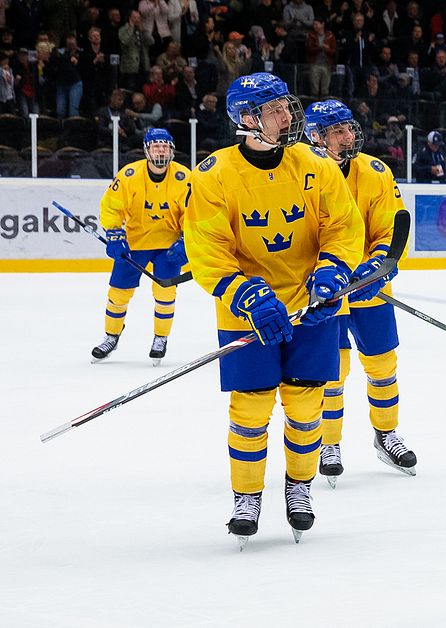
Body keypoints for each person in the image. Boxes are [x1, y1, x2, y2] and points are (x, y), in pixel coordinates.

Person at [183, 73, 364, 548]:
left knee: (306, 405)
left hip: (311, 308)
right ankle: (246, 496)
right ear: (248, 119)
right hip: (246, 311)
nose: (288, 116)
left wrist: (331, 273)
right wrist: (245, 293)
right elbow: (205, 248)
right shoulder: (213, 174)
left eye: (287, 106)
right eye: (276, 109)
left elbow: (342, 226)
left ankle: (299, 487)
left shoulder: (315, 165)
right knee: (251, 405)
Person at [304, 100, 417, 487]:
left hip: (368, 290)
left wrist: (380, 264)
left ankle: (386, 434)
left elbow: (390, 228)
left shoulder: (375, 171)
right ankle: (329, 443)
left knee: (382, 364)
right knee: (333, 372)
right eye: (338, 131)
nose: (349, 136)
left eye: (349, 128)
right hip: (327, 292)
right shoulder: (302, 174)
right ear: (316, 138)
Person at [92, 128, 190, 365]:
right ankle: (111, 336)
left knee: (165, 293)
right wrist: (114, 232)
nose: (160, 151)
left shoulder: (184, 177)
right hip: (136, 243)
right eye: (156, 146)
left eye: (165, 147)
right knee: (118, 293)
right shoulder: (129, 175)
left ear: (172, 150)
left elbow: (194, 212)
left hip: (169, 246)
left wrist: (188, 240)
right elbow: (111, 207)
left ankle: (160, 337)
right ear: (146, 149)